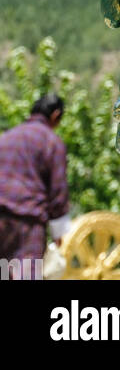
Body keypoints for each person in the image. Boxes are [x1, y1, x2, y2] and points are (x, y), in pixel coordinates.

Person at [0, 93, 69, 277]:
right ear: (55, 116)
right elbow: (58, 192)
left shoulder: (7, 137)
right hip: (26, 221)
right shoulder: (52, 142)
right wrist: (58, 232)